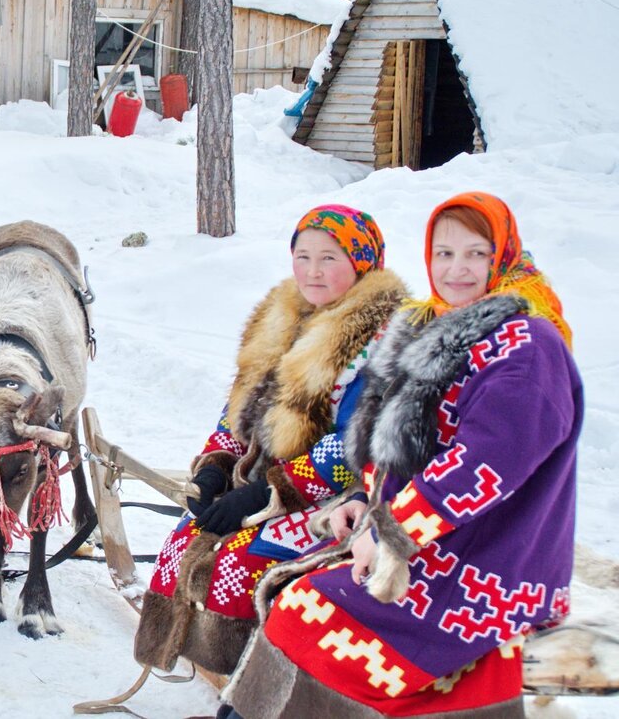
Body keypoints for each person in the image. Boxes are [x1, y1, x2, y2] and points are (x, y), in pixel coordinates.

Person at [223, 192, 580, 718]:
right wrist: (363, 499)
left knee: (307, 613)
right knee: (296, 603)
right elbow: (399, 447)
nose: (456, 269)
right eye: (444, 253)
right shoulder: (437, 326)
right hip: (429, 537)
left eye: (475, 254)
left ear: (502, 255)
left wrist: (386, 530)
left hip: (488, 563)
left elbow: (478, 470)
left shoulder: (526, 346)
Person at [134, 205, 407, 676]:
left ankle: (251, 680)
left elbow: (354, 444)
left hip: (339, 496)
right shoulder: (280, 318)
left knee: (240, 562)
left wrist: (268, 492)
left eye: (329, 258)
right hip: (262, 481)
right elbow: (239, 408)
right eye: (303, 256)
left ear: (362, 262)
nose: (312, 271)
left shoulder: (383, 340)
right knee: (183, 541)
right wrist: (217, 466)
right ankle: (188, 653)